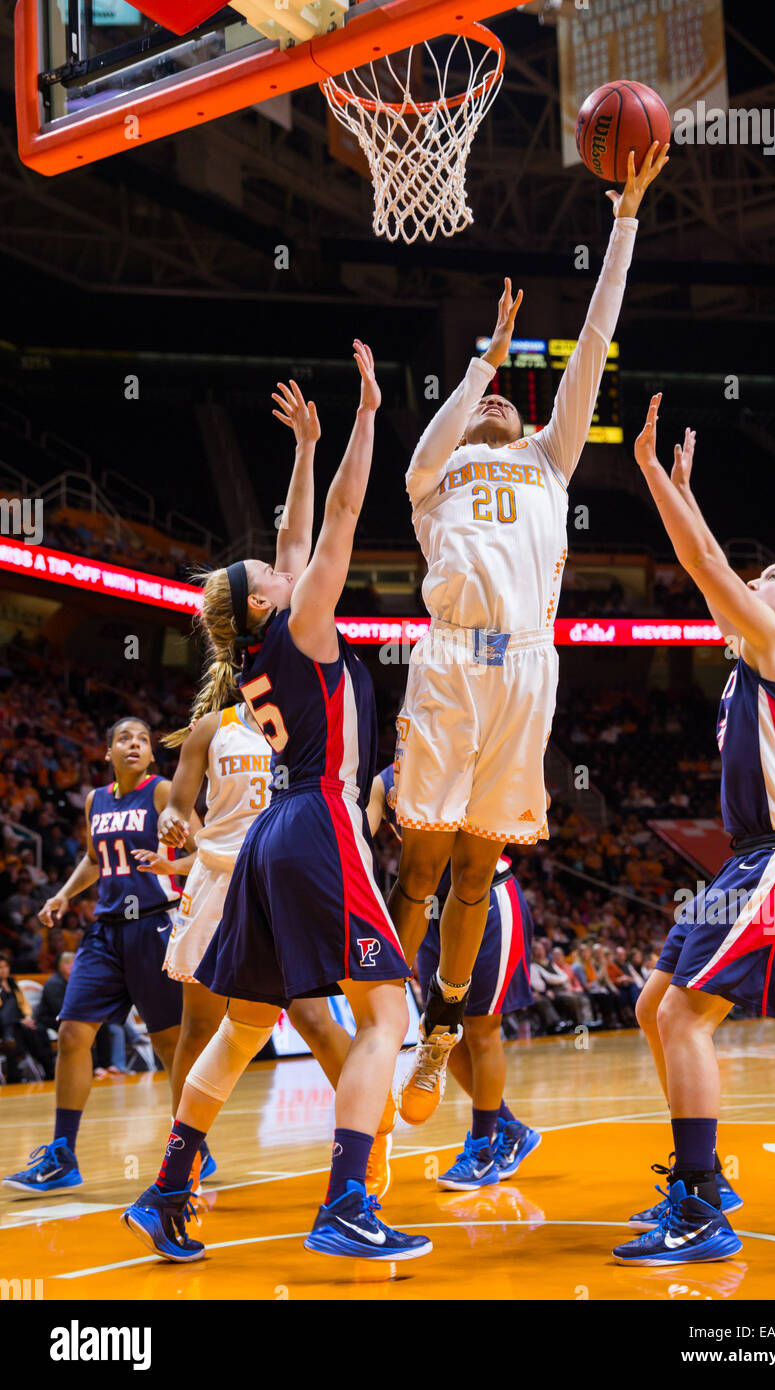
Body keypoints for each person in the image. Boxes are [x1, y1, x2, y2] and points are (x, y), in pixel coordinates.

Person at [121, 345, 431, 1265]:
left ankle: (167, 1188)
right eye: (268, 565)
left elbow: (297, 536)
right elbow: (335, 518)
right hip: (318, 820)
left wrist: (303, 445)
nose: (280, 557)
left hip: (270, 836)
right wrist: (370, 414)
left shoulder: (263, 642)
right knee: (385, 1017)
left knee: (249, 1024)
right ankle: (344, 1205)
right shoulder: (301, 623)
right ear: (265, 598)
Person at [390, 144, 669, 1125]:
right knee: (419, 868)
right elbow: (438, 430)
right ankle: (390, 1010)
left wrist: (623, 220)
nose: (500, 406)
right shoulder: (434, 474)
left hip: (523, 673)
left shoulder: (548, 460)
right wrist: (485, 360)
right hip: (449, 660)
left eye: (507, 398)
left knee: (473, 869)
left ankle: (437, 1031)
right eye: (484, 404)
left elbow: (594, 338)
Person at [615, 396, 775, 1267]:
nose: (759, 580)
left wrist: (658, 480)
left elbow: (706, 563)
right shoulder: (749, 661)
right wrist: (671, 489)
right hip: (749, 865)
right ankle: (693, 1183)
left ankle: (705, 1209)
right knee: (651, 1007)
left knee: (684, 1019)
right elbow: (706, 567)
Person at [3, 718, 188, 1196]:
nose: (134, 744)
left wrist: (174, 864)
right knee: (71, 1032)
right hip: (105, 930)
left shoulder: (163, 792)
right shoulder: (96, 800)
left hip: (156, 925)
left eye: (143, 740)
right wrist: (64, 895)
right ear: (107, 752)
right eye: (124, 738)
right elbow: (92, 858)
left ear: (150, 755)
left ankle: (192, 1148)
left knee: (170, 1045)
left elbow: (204, 844)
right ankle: (62, 1153)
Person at [367, 762, 540, 1190]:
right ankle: (510, 1130)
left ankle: (483, 1151)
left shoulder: (465, 759)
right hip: (428, 907)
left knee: (482, 1030)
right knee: (441, 1030)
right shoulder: (382, 783)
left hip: (488, 898)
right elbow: (356, 834)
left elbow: (539, 800)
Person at [0, 953, 54, 1082]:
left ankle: (48, 1068)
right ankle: (48, 1069)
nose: (3, 970)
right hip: (3, 1024)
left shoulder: (14, 985)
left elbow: (25, 1006)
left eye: (5, 966)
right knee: (22, 1030)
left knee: (37, 1029)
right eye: (0, 967)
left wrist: (27, 1017)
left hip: (19, 1024)